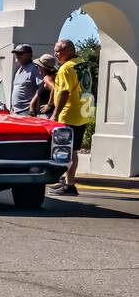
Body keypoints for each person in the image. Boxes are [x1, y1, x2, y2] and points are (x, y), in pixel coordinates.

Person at [49, 39, 88, 196]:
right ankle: (68, 183)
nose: (55, 54)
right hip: (83, 113)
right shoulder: (82, 64)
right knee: (74, 151)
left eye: (58, 51)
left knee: (64, 150)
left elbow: (64, 92)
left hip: (69, 114)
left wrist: (55, 114)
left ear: (68, 50)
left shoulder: (66, 68)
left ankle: (68, 184)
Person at [9, 44, 39, 115]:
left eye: (20, 53)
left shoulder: (35, 68)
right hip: (15, 111)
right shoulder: (19, 69)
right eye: (16, 53)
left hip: (27, 111)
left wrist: (32, 104)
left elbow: (42, 87)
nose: (17, 55)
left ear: (29, 55)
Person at [29, 53, 58, 117]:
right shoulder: (51, 77)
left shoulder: (47, 78)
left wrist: (49, 105)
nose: (37, 68)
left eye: (38, 66)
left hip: (46, 115)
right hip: (44, 115)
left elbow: (54, 88)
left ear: (42, 67)